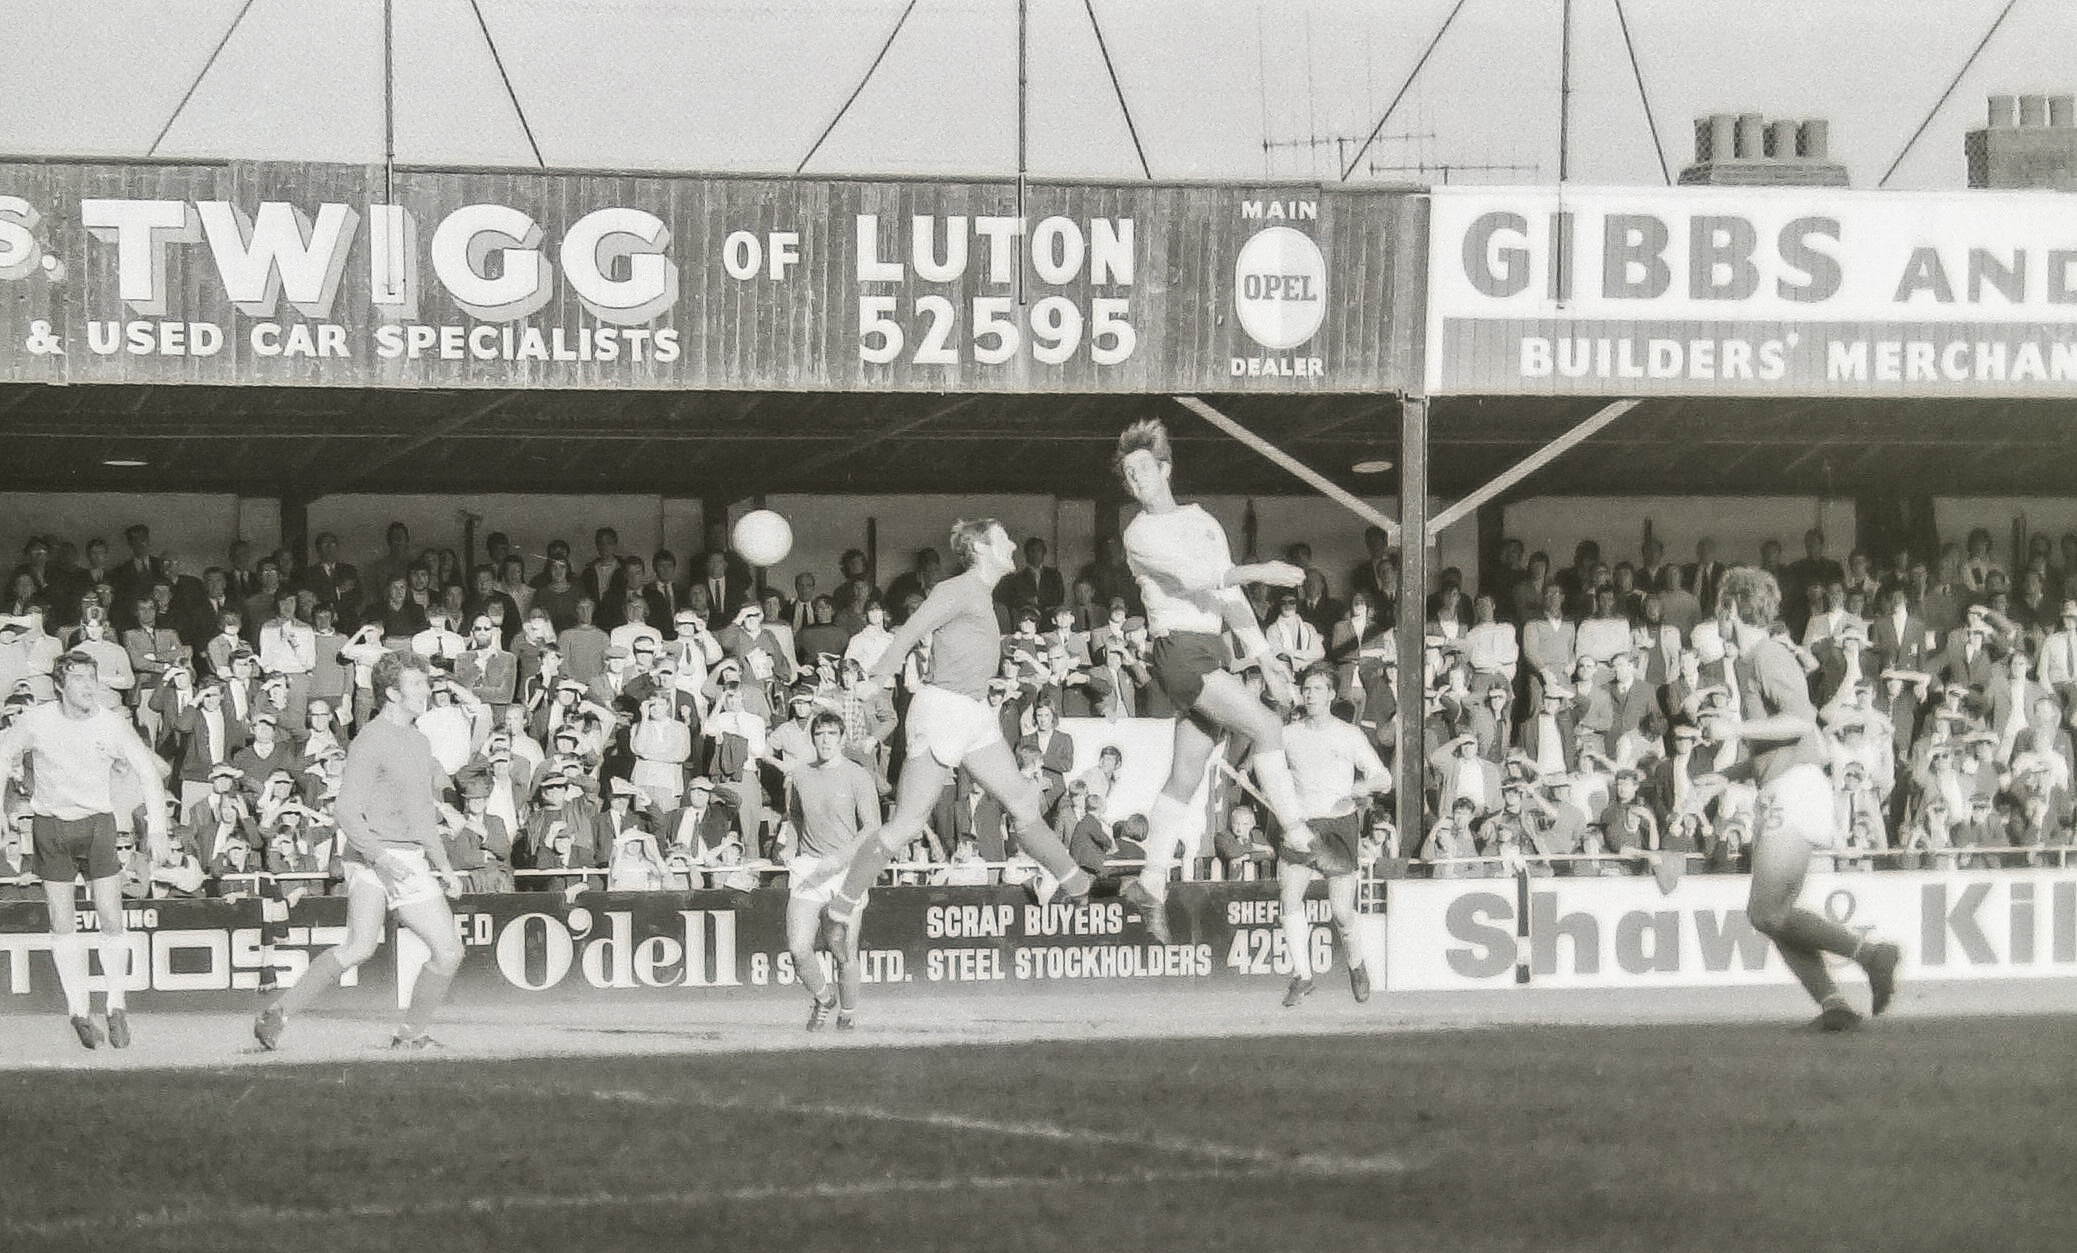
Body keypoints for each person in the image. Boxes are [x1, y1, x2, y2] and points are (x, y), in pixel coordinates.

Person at [1111, 417, 1334, 943]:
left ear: (1165, 468)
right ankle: (1299, 835)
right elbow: (1194, 580)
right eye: (1128, 476)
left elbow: (1226, 595)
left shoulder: (1203, 519)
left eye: (1142, 469)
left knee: (1184, 777)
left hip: (1210, 646)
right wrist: (1265, 572)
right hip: (1180, 653)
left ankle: (1149, 882)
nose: (1135, 481)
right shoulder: (1138, 533)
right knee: (1266, 728)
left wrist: (1264, 657)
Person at [824, 519, 1096, 946]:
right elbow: (910, 631)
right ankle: (840, 908)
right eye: (1003, 538)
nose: (1012, 544)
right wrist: (878, 678)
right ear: (982, 548)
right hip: (943, 711)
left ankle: (1077, 886)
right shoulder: (956, 590)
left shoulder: (984, 596)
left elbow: (971, 648)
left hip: (972, 713)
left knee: (1024, 802)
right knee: (908, 823)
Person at [1704, 566, 1901, 1031]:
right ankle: (1834, 1005)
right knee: (1773, 916)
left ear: (1730, 608)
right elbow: (1779, 738)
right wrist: (1729, 774)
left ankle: (1871, 955)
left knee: (1766, 912)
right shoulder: (1750, 660)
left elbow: (1801, 720)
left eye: (1720, 606)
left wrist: (1733, 728)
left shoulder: (1767, 654)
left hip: (1795, 789)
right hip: (1783, 786)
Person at [253, 651, 465, 1052]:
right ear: (391, 693)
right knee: (448, 950)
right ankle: (410, 1036)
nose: (426, 690)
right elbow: (346, 811)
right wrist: (380, 855)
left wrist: (443, 865)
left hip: (384, 854)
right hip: (383, 855)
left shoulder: (418, 741)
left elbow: (421, 813)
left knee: (359, 947)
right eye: (417, 685)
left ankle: (278, 1013)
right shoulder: (371, 740)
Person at [0, 651, 171, 1049]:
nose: (88, 686)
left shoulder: (109, 722)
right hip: (51, 826)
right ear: (59, 685)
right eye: (78, 679)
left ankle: (116, 1006)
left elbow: (148, 770)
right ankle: (78, 1011)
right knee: (63, 923)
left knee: (111, 917)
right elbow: (3, 754)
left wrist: (159, 828)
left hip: (97, 823)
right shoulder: (37, 720)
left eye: (92, 678)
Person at [1274, 663, 1392, 1006]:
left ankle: (1356, 965)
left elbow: (1383, 778)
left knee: (1341, 911)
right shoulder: (1288, 734)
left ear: (1330, 694)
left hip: (1338, 825)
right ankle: (1303, 975)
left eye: (1315, 689)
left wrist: (1358, 787)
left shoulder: (1348, 734)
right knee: (1290, 898)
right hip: (1300, 825)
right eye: (1305, 689)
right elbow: (1271, 771)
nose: (1309, 694)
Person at [782, 710, 882, 1031]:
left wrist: (841, 856)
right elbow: (795, 817)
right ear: (812, 738)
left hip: (846, 870)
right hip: (810, 867)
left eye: (831, 735)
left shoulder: (858, 776)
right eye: (819, 735)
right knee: (798, 947)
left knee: (841, 949)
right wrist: (788, 846)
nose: (825, 741)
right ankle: (824, 998)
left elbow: (872, 826)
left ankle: (847, 1016)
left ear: (841, 739)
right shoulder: (800, 775)